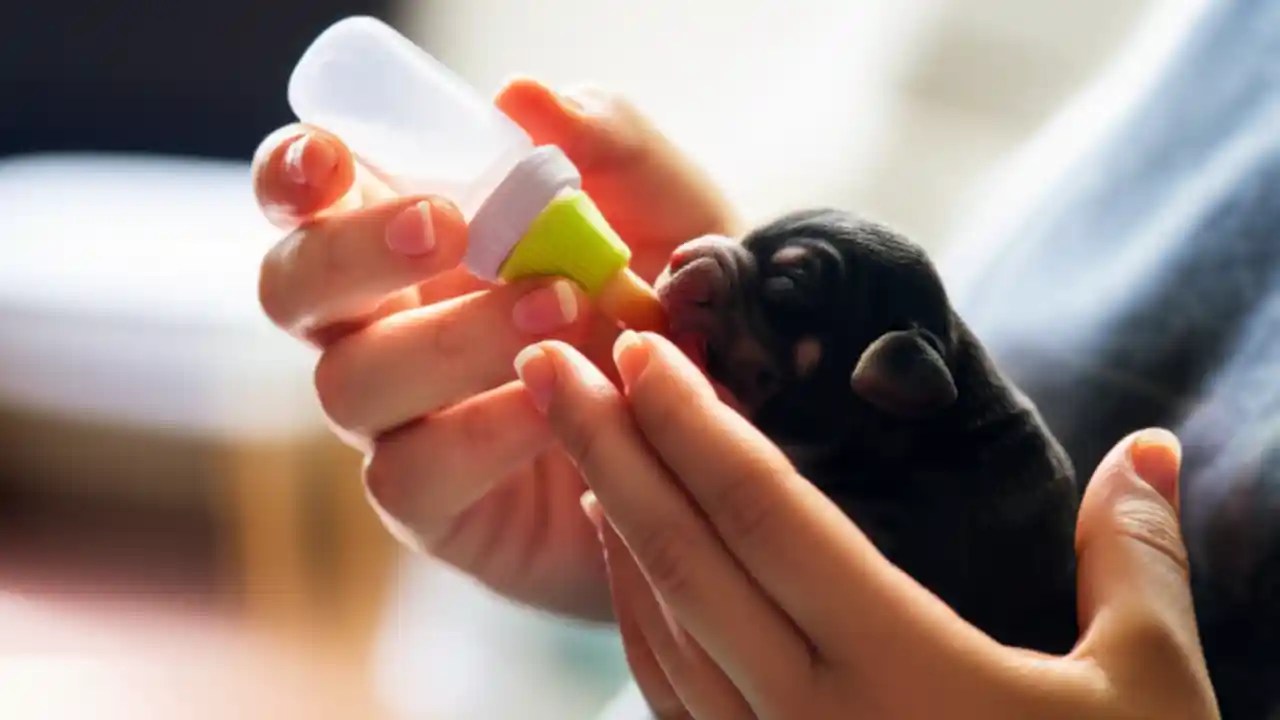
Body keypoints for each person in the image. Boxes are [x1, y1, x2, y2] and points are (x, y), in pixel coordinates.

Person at [251, 74, 1224, 717]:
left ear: (890, 381)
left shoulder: (974, 491)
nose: (690, 269)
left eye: (781, 290)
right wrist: (682, 541)